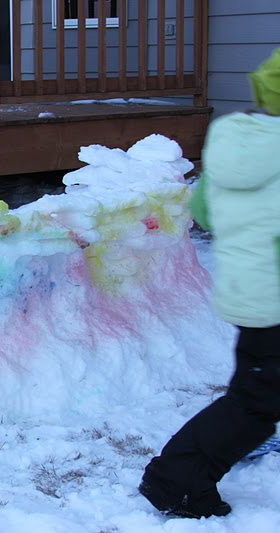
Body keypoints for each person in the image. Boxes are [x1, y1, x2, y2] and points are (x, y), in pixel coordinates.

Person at [139, 48, 280, 518]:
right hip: (275, 301)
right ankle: (174, 481)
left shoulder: (234, 141)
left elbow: (203, 213)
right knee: (254, 405)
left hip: (248, 294)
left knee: (256, 398)